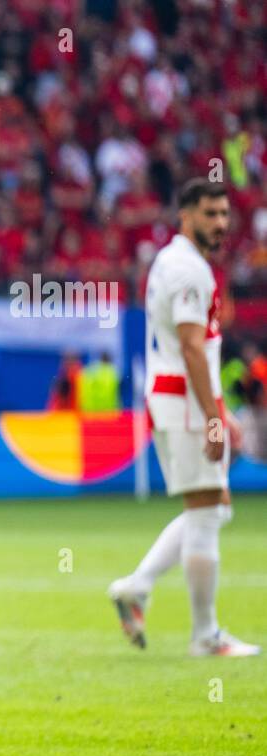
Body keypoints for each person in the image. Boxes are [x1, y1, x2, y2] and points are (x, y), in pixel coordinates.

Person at [108, 180, 258, 657]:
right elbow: (192, 347)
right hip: (184, 404)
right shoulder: (187, 270)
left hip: (181, 401)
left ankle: (138, 586)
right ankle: (205, 636)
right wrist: (212, 417)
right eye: (210, 213)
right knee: (210, 512)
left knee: (209, 508)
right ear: (185, 214)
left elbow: (196, 349)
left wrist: (220, 411)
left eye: (224, 214)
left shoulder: (176, 262)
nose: (220, 223)